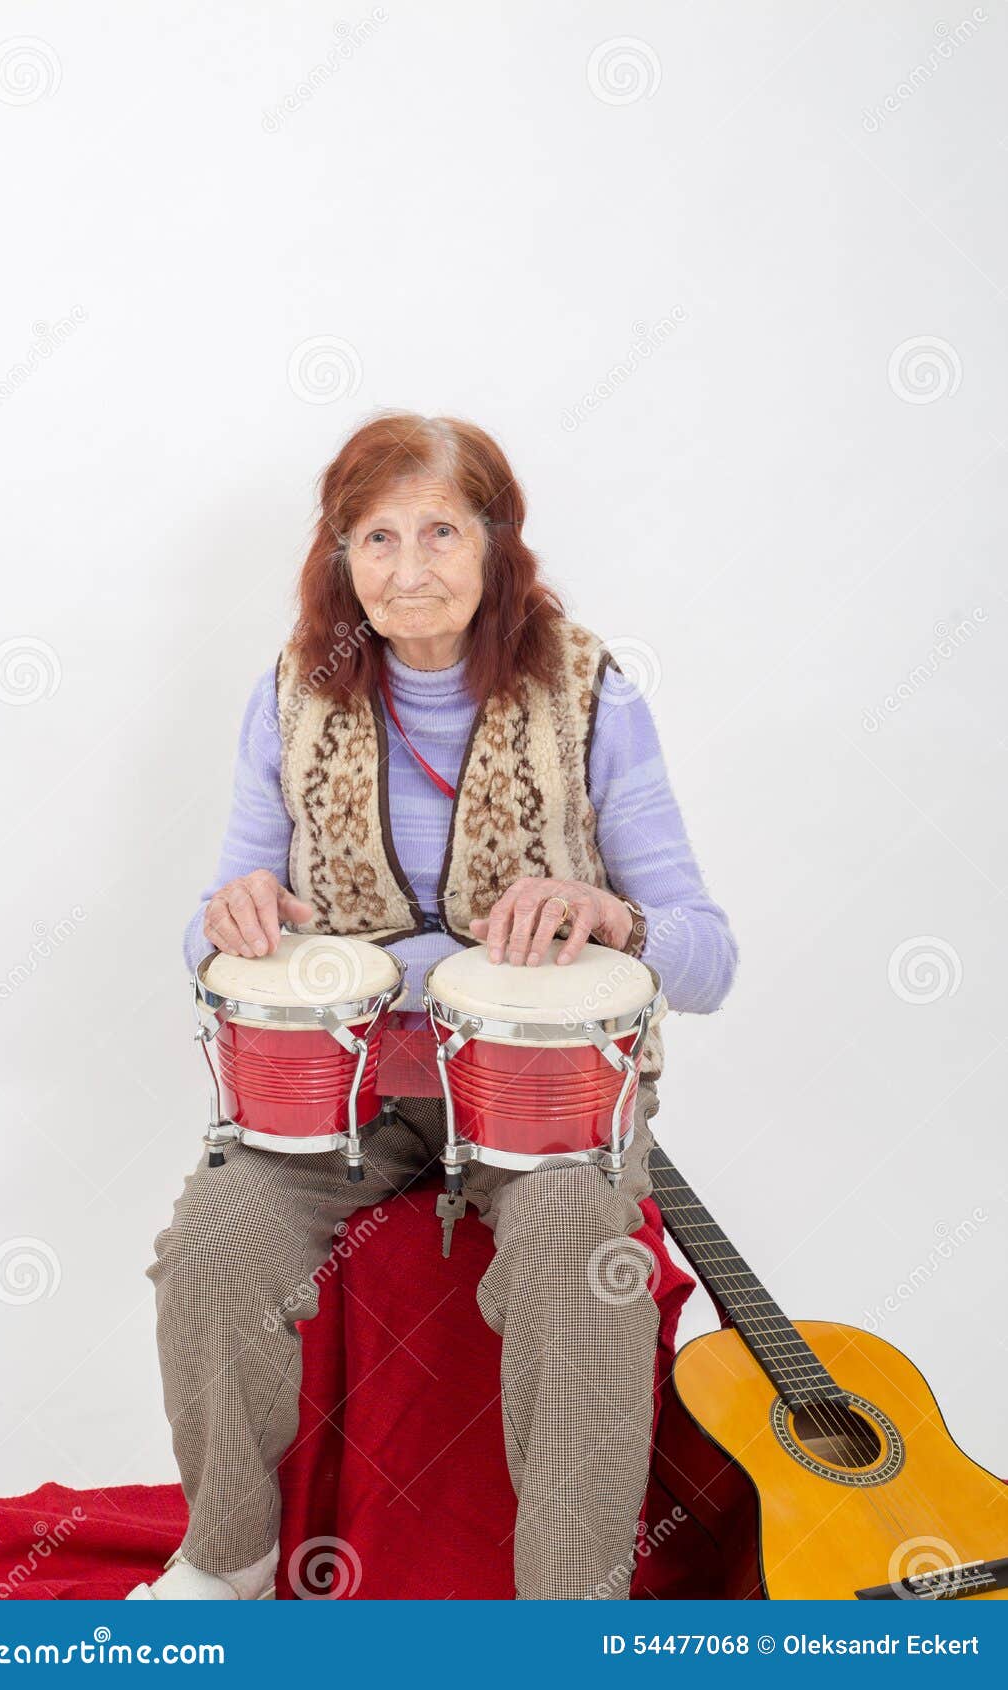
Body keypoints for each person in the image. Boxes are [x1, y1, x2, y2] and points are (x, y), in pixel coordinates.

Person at [128, 412, 738, 1601]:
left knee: (578, 1252)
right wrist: (228, 913)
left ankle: (566, 1620)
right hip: (342, 1091)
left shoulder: (592, 694)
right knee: (210, 1245)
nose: (408, 568)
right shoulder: (292, 694)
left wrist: (611, 916)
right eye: (377, 537)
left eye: (441, 532)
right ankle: (230, 1556)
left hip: (544, 1099)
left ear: (497, 543)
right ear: (340, 555)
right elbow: (203, 933)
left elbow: (708, 959)